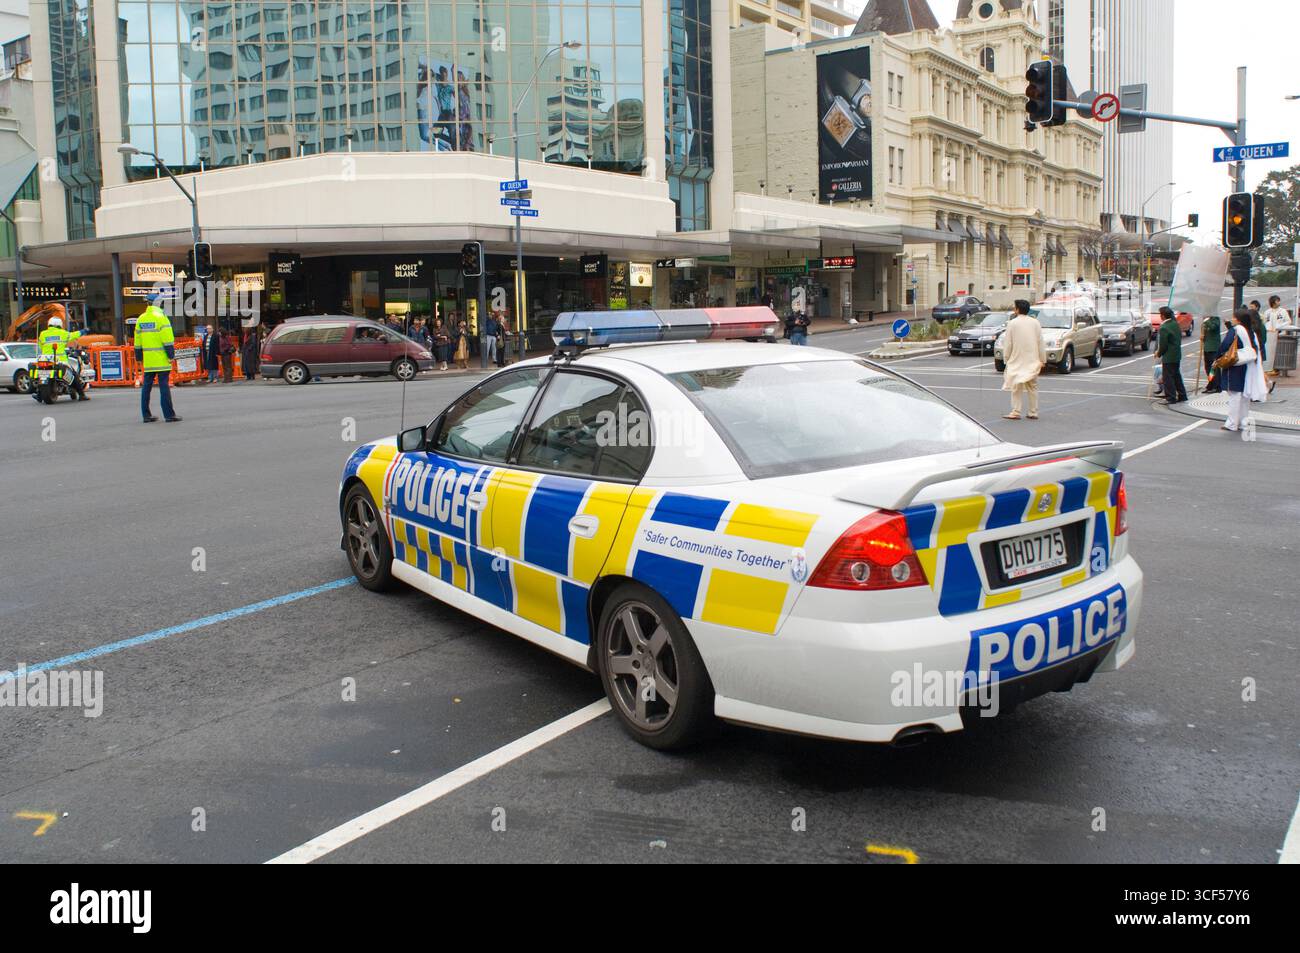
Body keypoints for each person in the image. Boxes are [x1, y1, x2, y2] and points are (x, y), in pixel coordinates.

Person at [1214, 308, 1267, 432]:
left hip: (1236, 365)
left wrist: (1218, 357)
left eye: (1233, 317)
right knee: (1244, 396)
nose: (1232, 319)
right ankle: (1243, 422)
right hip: (1248, 366)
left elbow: (1225, 345)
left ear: (1238, 319)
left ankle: (1232, 423)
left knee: (1235, 395)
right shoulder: (1251, 331)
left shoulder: (1236, 330)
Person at [135, 294, 181, 422]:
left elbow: (137, 342)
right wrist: (171, 355)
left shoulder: (141, 319)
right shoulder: (162, 318)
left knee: (146, 388)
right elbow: (167, 340)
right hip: (161, 360)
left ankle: (146, 415)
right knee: (164, 387)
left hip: (148, 361)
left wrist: (139, 357)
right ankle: (169, 415)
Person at [1001, 299, 1045, 420]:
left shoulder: (1012, 323)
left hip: (1017, 358)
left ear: (1017, 309)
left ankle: (1016, 411)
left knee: (1016, 386)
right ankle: (1033, 411)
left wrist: (1006, 358)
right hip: (1032, 359)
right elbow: (1040, 342)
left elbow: (1008, 343)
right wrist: (1043, 359)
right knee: (1032, 386)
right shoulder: (1035, 322)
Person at [36, 314, 89, 401]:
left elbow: (40, 346)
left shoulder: (43, 334)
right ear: (59, 325)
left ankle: (38, 395)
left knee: (42, 375)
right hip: (60, 361)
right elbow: (74, 335)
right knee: (74, 375)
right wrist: (84, 331)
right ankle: (82, 394)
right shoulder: (63, 333)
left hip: (45, 360)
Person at [1154, 306, 1187, 405]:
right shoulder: (1175, 324)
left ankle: (1171, 398)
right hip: (1176, 354)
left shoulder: (1164, 327)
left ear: (1163, 316)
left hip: (1169, 356)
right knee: (1176, 376)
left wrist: (1158, 353)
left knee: (1168, 378)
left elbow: (1163, 345)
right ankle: (1182, 395)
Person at [1262, 295, 1292, 376]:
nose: (1279, 302)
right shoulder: (1267, 312)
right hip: (1269, 333)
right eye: (1278, 301)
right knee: (1268, 351)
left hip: (1278, 333)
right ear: (1274, 302)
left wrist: (1280, 327)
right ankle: (1267, 368)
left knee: (1277, 351)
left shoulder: (1283, 311)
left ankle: (1275, 368)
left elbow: (1288, 321)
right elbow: (1264, 322)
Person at [1200, 314, 1222, 393]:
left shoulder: (1215, 318)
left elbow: (1213, 327)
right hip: (1207, 347)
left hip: (1214, 347)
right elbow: (1205, 331)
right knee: (1208, 368)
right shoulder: (1206, 320)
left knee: (1214, 368)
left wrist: (1206, 320)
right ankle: (1211, 384)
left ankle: (1217, 386)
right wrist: (1203, 336)